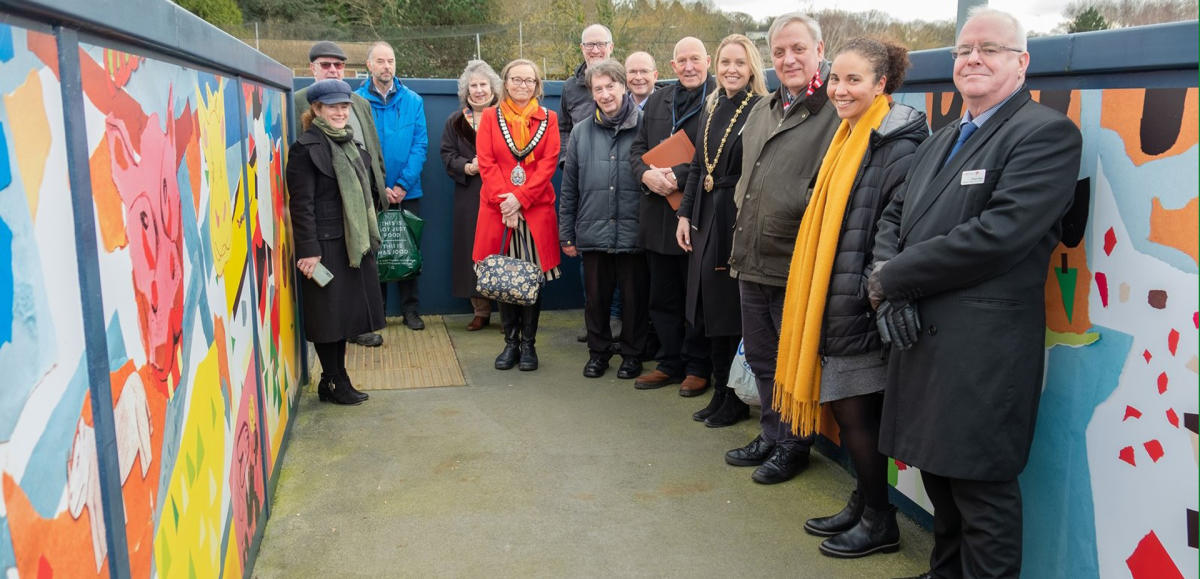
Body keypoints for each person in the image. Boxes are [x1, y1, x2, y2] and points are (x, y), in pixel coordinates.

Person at [869, 8, 1082, 577]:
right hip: (925, 341)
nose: (974, 59)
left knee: (982, 493)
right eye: (965, 50)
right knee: (939, 479)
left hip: (983, 351)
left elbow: (997, 236)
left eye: (990, 49)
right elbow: (894, 213)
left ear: (1022, 63)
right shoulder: (942, 140)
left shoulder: (1046, 134)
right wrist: (887, 280)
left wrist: (892, 279)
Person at [771, 37, 928, 558]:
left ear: (882, 84)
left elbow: (894, 231)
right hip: (836, 295)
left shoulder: (896, 144)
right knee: (851, 411)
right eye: (836, 78)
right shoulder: (849, 135)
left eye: (853, 79)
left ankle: (881, 521)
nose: (840, 89)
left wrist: (866, 294)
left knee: (858, 413)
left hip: (858, 303)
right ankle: (864, 501)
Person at [722, 13, 839, 485]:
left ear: (819, 48)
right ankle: (772, 433)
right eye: (779, 51)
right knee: (764, 358)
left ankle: (794, 444)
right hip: (753, 256)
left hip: (798, 260)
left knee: (795, 361)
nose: (788, 59)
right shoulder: (763, 109)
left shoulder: (834, 107)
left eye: (798, 49)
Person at [674, 34, 767, 427]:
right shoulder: (712, 105)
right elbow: (698, 167)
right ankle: (719, 390)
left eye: (739, 63)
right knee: (706, 306)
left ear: (752, 69)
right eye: (725, 62)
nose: (731, 69)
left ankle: (735, 398)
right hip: (705, 214)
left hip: (735, 215)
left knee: (730, 308)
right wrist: (684, 214)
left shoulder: (762, 109)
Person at [286, 79, 386, 405]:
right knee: (328, 318)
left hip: (350, 244)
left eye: (344, 106)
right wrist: (308, 251)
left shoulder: (348, 143)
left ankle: (336, 378)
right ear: (316, 109)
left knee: (344, 316)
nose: (340, 112)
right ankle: (333, 380)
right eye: (333, 107)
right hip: (324, 247)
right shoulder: (305, 148)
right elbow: (301, 205)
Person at [629, 36, 717, 396]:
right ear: (672, 67)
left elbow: (720, 155)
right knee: (661, 295)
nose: (689, 66)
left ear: (708, 61)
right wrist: (645, 174)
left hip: (695, 211)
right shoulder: (659, 99)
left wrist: (678, 176)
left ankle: (698, 366)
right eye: (682, 60)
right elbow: (637, 148)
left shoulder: (718, 100)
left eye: (696, 59)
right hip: (656, 212)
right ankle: (670, 362)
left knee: (694, 297)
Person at [559, 60, 649, 380]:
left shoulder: (646, 125)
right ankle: (598, 354)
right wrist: (566, 234)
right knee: (595, 300)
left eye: (611, 86)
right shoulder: (581, 132)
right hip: (593, 230)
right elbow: (569, 187)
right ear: (591, 93)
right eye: (599, 88)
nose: (606, 93)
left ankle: (632, 355)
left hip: (634, 232)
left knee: (634, 300)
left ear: (624, 87)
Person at [295, 42, 389, 349]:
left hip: (359, 212)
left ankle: (357, 332)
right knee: (331, 302)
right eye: (326, 64)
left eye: (338, 65)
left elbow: (371, 146)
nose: (333, 69)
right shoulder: (297, 103)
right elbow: (302, 194)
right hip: (329, 222)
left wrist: (380, 184)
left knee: (357, 290)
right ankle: (333, 373)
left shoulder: (357, 102)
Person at [473, 59, 562, 372]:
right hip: (497, 209)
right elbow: (486, 163)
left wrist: (520, 200)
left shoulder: (549, 119)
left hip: (534, 209)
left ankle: (528, 345)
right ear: (505, 83)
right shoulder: (489, 118)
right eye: (516, 79)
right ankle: (509, 343)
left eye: (529, 81)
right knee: (503, 276)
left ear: (537, 86)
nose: (522, 86)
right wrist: (506, 203)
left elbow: (548, 164)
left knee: (530, 279)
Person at [356, 41, 429, 333]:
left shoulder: (413, 101)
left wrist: (400, 185)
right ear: (369, 65)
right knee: (375, 254)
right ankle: (378, 313)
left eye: (391, 61)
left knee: (408, 250)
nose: (387, 66)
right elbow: (357, 146)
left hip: (407, 192)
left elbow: (420, 145)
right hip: (371, 193)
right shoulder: (355, 100)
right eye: (381, 61)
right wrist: (379, 187)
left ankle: (411, 310)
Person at [442, 60, 502, 331]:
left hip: (502, 194)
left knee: (503, 249)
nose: (478, 90)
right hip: (469, 195)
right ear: (466, 91)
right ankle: (481, 310)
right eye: (473, 86)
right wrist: (467, 166)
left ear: (493, 88)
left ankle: (509, 311)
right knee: (473, 251)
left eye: (483, 85)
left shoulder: (506, 117)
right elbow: (446, 154)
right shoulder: (455, 122)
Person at [560, 24, 615, 144]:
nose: (595, 50)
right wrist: (567, 159)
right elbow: (564, 130)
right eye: (590, 45)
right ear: (582, 48)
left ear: (611, 47)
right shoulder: (570, 87)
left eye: (601, 44)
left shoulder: (624, 82)